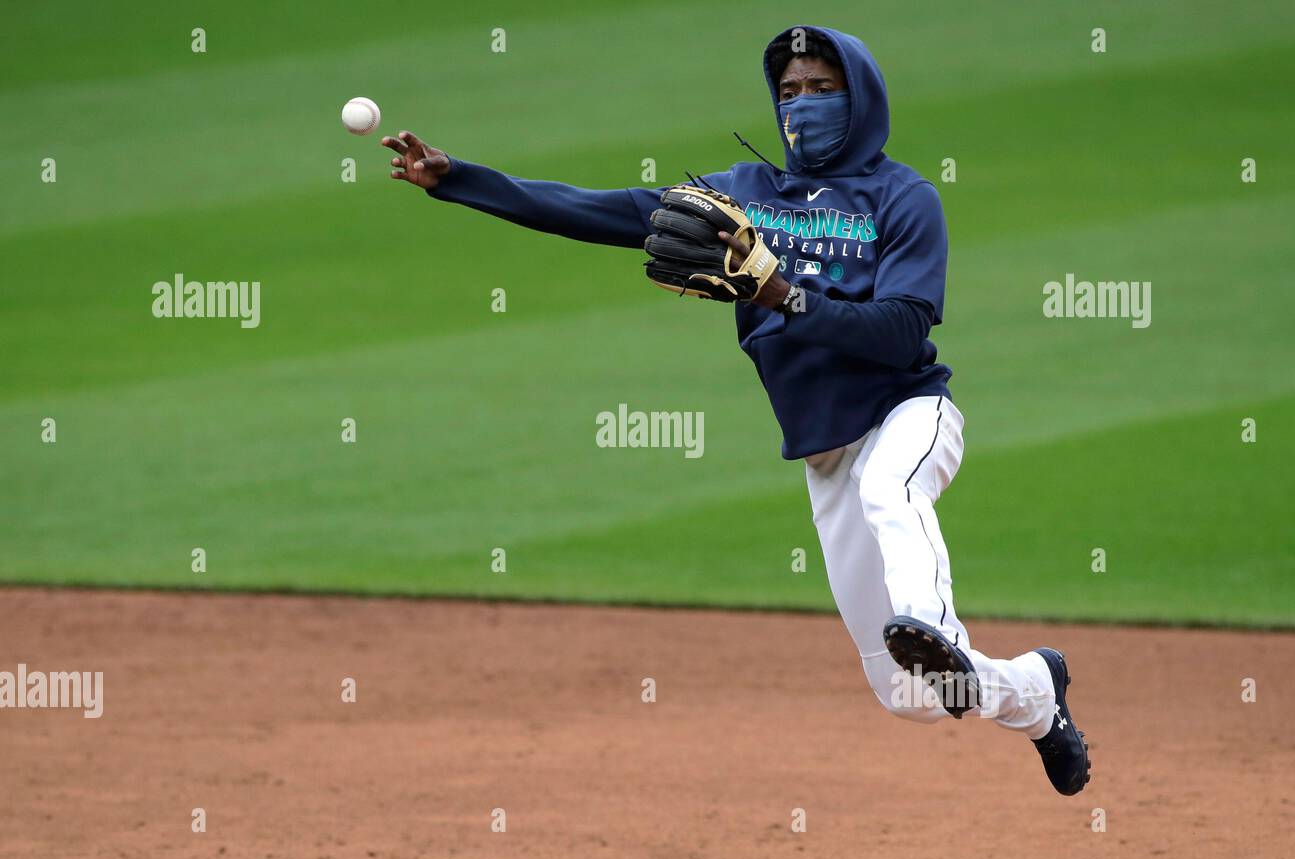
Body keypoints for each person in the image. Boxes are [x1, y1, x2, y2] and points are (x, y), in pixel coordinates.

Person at [383, 24, 1090, 795]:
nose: (803, 105)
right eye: (789, 92)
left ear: (861, 97)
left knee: (893, 490)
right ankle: (1033, 694)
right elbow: (599, 211)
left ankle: (932, 624)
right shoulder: (739, 198)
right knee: (912, 696)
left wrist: (781, 293)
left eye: (823, 89)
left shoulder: (904, 197)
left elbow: (900, 331)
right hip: (826, 451)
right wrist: (460, 179)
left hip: (908, 412)